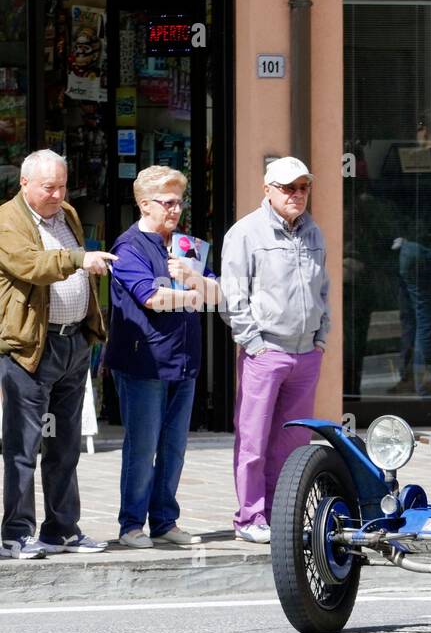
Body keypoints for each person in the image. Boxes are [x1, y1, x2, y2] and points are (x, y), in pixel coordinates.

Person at [0, 149, 117, 559]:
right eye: (48, 186)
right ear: (25, 184)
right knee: (23, 445)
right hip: (31, 347)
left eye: (62, 185)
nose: (57, 193)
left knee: (64, 445)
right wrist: (80, 258)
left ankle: (62, 528)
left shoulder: (65, 213)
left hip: (72, 343)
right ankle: (15, 533)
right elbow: (33, 266)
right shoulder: (6, 221)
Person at [104, 165, 221, 549]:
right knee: (143, 446)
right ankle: (131, 525)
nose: (176, 209)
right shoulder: (128, 247)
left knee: (173, 446)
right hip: (145, 363)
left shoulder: (187, 246)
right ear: (144, 204)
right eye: (168, 202)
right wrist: (193, 294)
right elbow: (151, 298)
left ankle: (166, 521)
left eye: (179, 202)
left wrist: (193, 280)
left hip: (183, 361)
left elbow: (220, 297)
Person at [220, 156, 329, 544]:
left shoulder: (313, 231)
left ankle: (282, 515)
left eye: (303, 187)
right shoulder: (245, 233)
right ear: (268, 189)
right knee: (253, 440)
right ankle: (249, 517)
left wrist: (320, 338)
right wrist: (254, 344)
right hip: (266, 352)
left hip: (305, 354)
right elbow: (232, 297)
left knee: (293, 441)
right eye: (288, 188)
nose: (297, 195)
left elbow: (323, 289)